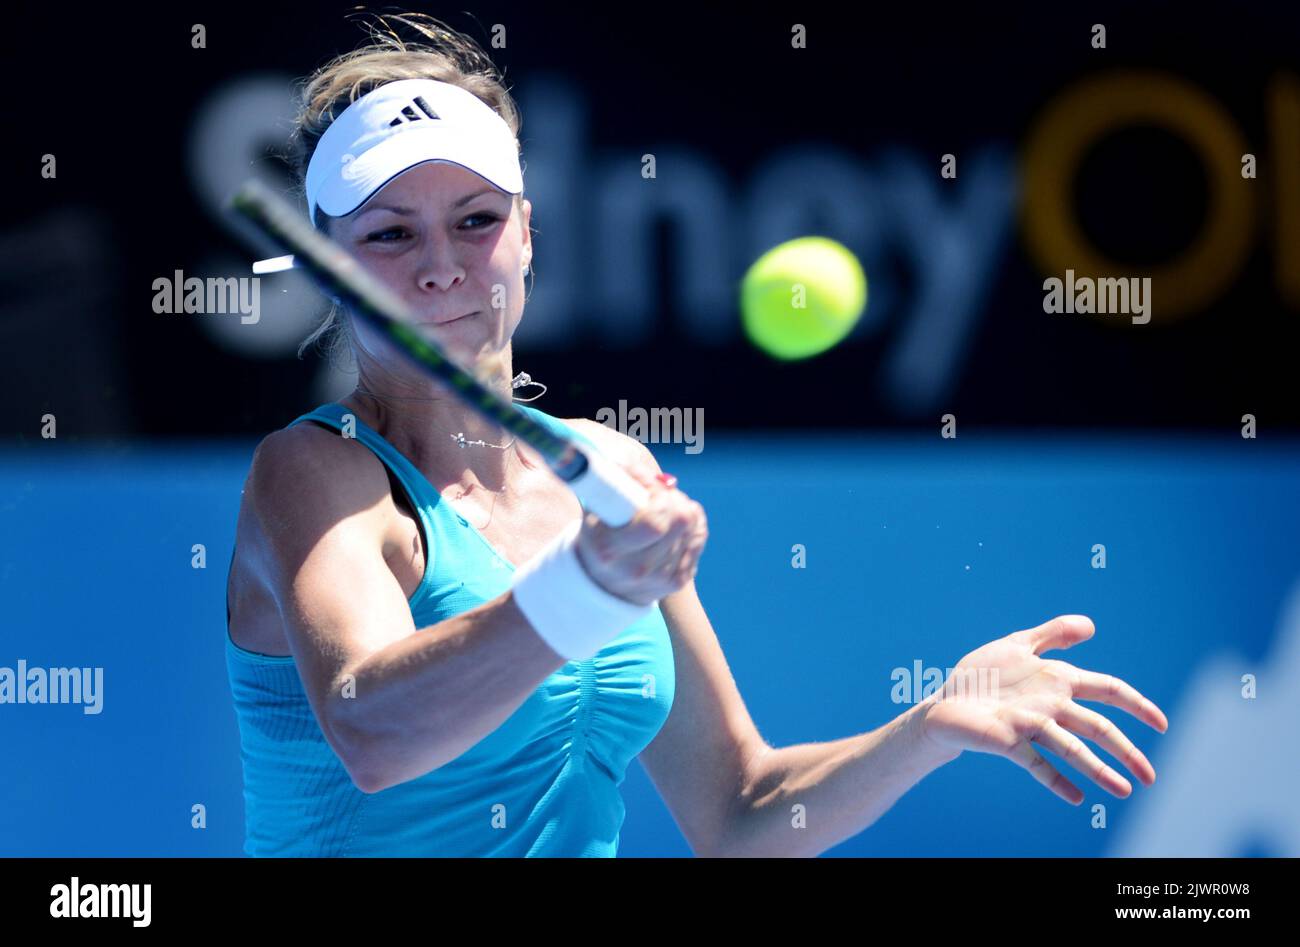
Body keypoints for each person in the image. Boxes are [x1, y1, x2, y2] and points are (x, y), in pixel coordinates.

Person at [225, 12, 1168, 858]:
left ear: (529, 237)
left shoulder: (612, 470)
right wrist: (584, 587)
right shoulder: (313, 471)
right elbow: (374, 736)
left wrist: (929, 725)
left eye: (475, 221)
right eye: (390, 234)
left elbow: (740, 809)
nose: (440, 267)